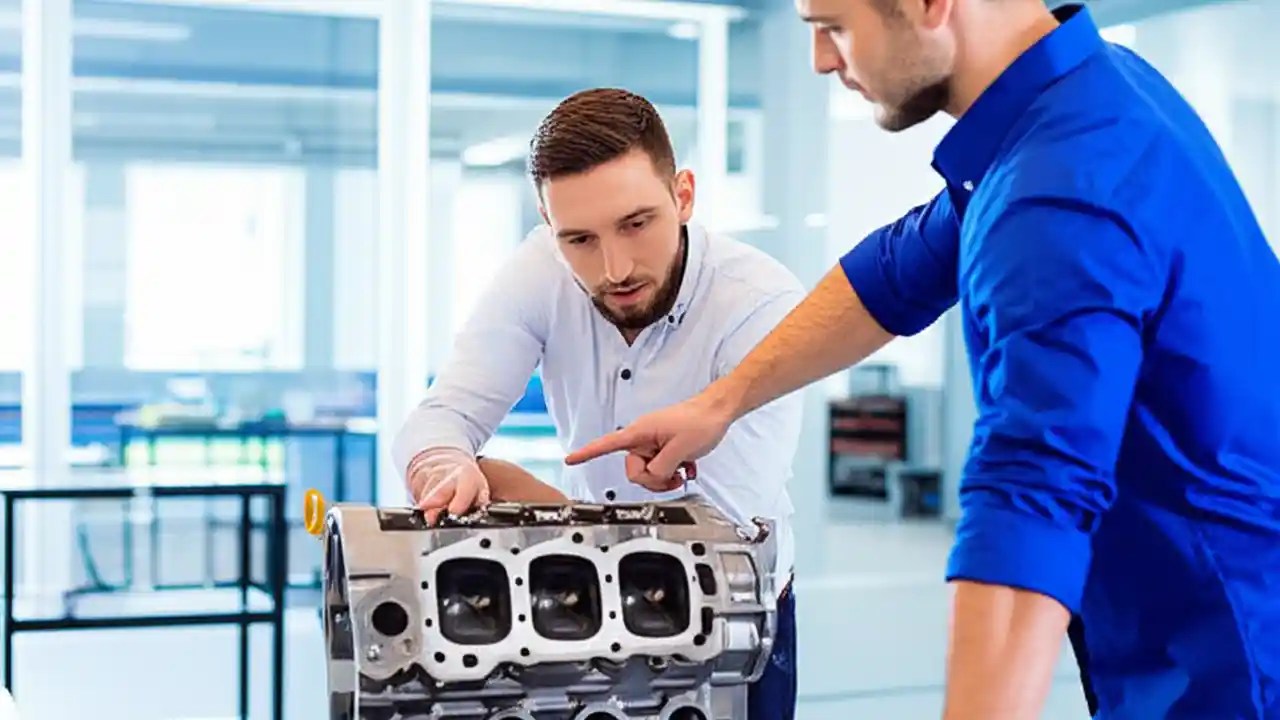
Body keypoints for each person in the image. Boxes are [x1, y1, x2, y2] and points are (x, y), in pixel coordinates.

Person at [565, 2, 1280, 719]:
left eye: (834, 25)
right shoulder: (1086, 98)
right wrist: (718, 404)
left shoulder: (1057, 195)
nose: (819, 57)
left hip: (1228, 665)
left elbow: (1029, 504)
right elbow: (899, 270)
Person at [390, 87, 806, 719]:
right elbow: (441, 416)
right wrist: (443, 465)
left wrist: (536, 505)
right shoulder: (539, 270)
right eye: (579, 239)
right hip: (579, 604)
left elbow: (723, 542)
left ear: (683, 195)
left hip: (732, 614)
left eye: (637, 224)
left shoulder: (758, 302)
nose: (615, 268)